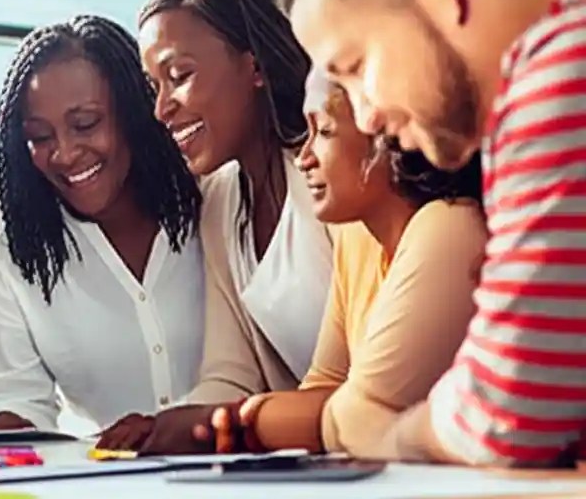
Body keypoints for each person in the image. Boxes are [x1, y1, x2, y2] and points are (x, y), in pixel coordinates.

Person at [280, 0, 586, 465]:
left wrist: (392, 437)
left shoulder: (564, 72)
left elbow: (506, 410)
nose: (366, 117)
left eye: (355, 66)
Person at [136, 72, 486, 456]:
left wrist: (230, 422)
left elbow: (361, 412)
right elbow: (324, 386)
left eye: (325, 132)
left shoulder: (450, 226)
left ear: (382, 134)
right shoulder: (356, 238)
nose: (304, 158)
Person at [99, 0, 332, 450]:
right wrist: (170, 422)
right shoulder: (221, 201)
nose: (162, 109)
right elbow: (231, 373)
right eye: (153, 87)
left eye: (179, 76)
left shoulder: (333, 175)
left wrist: (231, 420)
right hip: (312, 456)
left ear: (255, 66)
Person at [0, 15, 205, 433]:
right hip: (108, 484)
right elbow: (9, 395)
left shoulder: (210, 204)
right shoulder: (14, 256)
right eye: (40, 137)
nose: (63, 153)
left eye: (85, 125)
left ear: (133, 112)